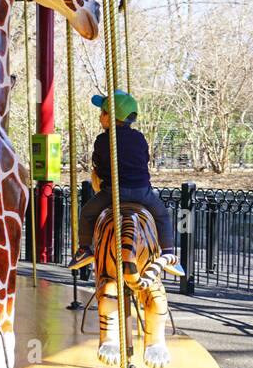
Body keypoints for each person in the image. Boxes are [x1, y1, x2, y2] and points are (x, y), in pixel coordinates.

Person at [68, 91, 184, 276]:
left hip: (113, 192)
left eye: (102, 113)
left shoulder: (103, 140)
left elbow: (99, 164)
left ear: (110, 117)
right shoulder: (139, 138)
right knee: (162, 216)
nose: (100, 117)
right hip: (142, 192)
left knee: (88, 213)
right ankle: (169, 254)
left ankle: (84, 250)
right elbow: (145, 159)